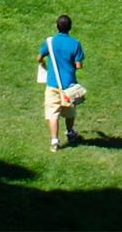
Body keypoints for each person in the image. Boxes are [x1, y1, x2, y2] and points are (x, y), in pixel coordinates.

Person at [38, 14, 84, 150]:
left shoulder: (50, 42)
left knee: (53, 113)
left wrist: (42, 63)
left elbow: (39, 56)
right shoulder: (75, 44)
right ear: (70, 28)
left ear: (56, 26)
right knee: (70, 112)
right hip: (69, 85)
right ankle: (70, 132)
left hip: (52, 84)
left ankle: (54, 141)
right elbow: (78, 65)